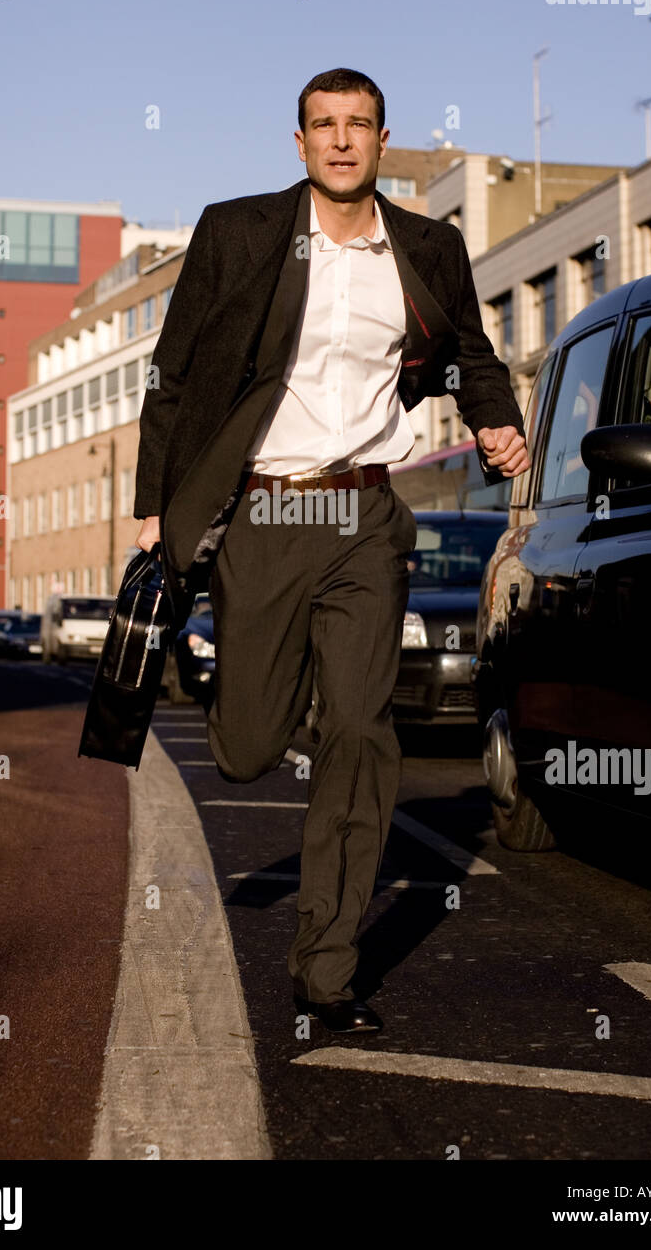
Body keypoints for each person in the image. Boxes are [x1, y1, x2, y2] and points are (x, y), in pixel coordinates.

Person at [134, 68, 529, 1034]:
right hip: (266, 517)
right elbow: (175, 373)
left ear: (383, 139)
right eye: (325, 125)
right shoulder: (240, 232)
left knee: (359, 732)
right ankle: (248, 700)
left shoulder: (427, 248)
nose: (342, 141)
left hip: (363, 514)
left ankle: (327, 966)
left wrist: (496, 421)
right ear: (299, 140)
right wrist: (154, 507)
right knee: (246, 747)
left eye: (360, 125)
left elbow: (471, 351)